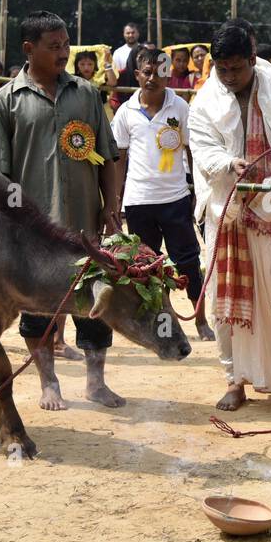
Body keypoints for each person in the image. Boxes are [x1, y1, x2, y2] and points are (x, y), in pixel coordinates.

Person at [0, 11, 124, 409]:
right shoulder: (4, 101)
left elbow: (108, 157)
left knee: (94, 306)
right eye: (54, 46)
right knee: (38, 309)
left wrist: (111, 206)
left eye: (65, 44)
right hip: (34, 234)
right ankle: (49, 383)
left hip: (85, 225)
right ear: (29, 49)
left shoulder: (87, 94)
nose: (63, 53)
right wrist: (9, 225)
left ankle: (96, 382)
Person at [188, 22, 271, 412]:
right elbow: (203, 148)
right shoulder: (205, 101)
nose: (229, 77)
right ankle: (235, 380)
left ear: (253, 56)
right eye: (222, 69)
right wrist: (229, 163)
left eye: (236, 69)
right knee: (226, 303)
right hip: (229, 216)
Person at [112, 45, 214, 341]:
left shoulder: (181, 108)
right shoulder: (125, 112)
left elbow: (192, 151)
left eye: (160, 72)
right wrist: (117, 199)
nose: (153, 78)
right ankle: (158, 324)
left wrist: (197, 189)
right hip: (138, 201)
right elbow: (120, 158)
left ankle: (200, 321)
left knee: (188, 262)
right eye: (147, 72)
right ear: (137, 74)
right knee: (145, 267)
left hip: (175, 198)